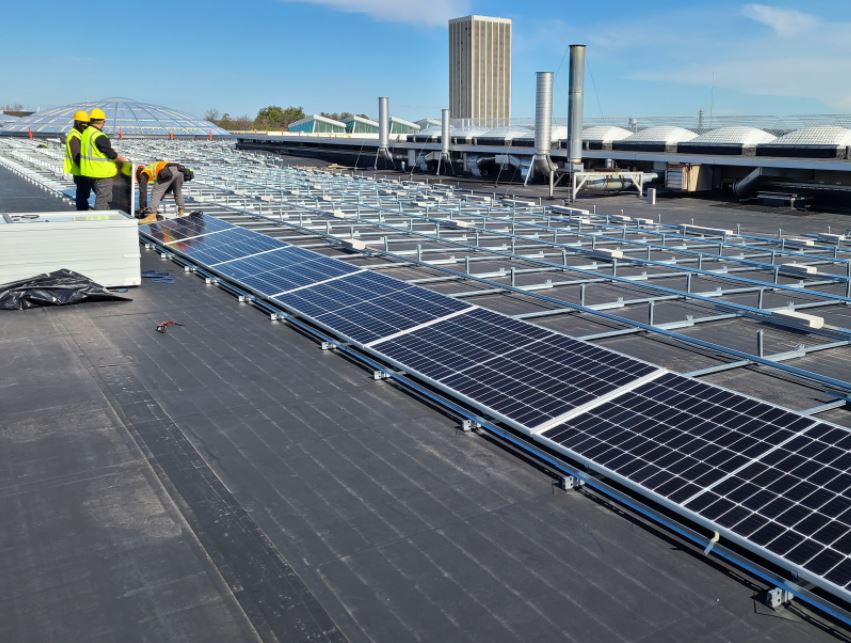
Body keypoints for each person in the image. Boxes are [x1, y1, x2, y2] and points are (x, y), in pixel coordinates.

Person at [79, 107, 128, 210]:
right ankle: (99, 222)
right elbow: (110, 153)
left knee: (103, 197)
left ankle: (104, 218)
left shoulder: (86, 133)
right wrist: (122, 159)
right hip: (101, 173)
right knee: (103, 199)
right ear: (102, 121)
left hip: (89, 172)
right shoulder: (99, 135)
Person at [64, 110, 91, 210]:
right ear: (76, 122)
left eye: (87, 123)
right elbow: (77, 155)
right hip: (80, 171)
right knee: (82, 193)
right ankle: (82, 212)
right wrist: (86, 169)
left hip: (81, 170)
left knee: (84, 192)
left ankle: (82, 210)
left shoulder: (80, 133)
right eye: (83, 123)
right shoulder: (74, 135)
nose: (85, 125)